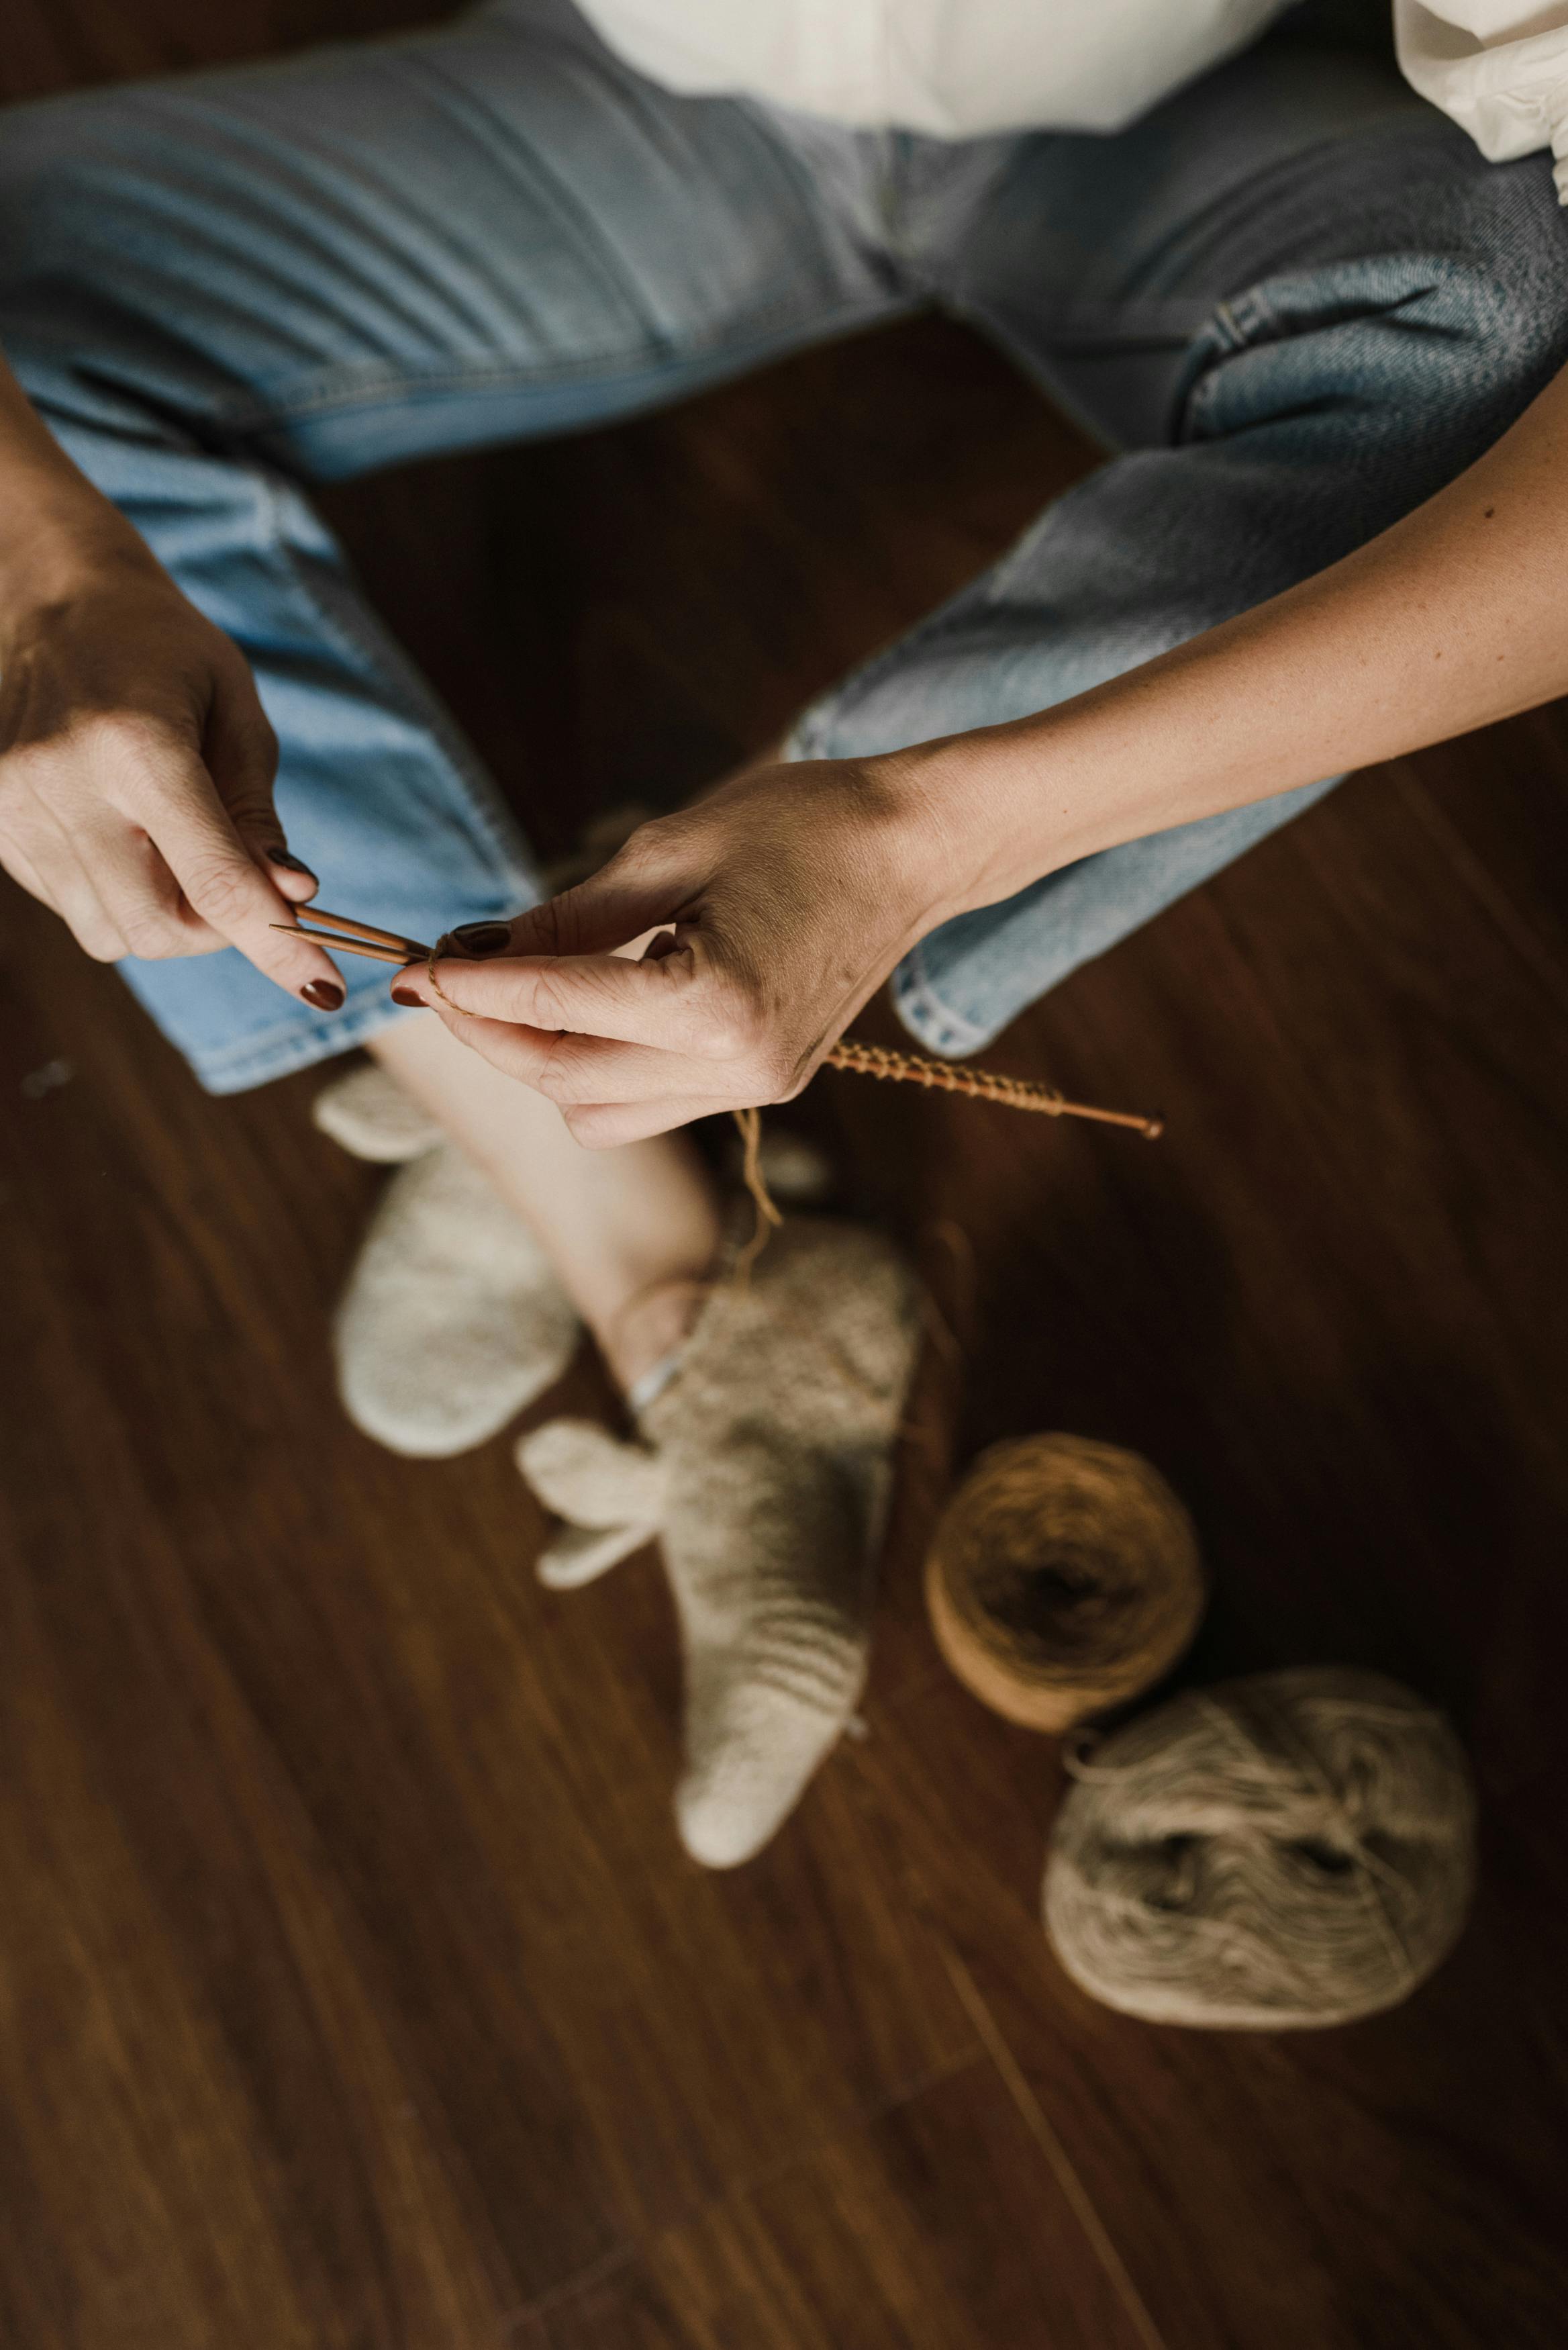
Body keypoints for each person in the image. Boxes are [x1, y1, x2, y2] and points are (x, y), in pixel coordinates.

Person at [3, 0, 1568, 1863]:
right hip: (678, 85)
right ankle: (660, 1262)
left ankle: (601, 1003)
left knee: (1500, 338)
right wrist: (39, 566)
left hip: (1216, 101)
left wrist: (918, 838)